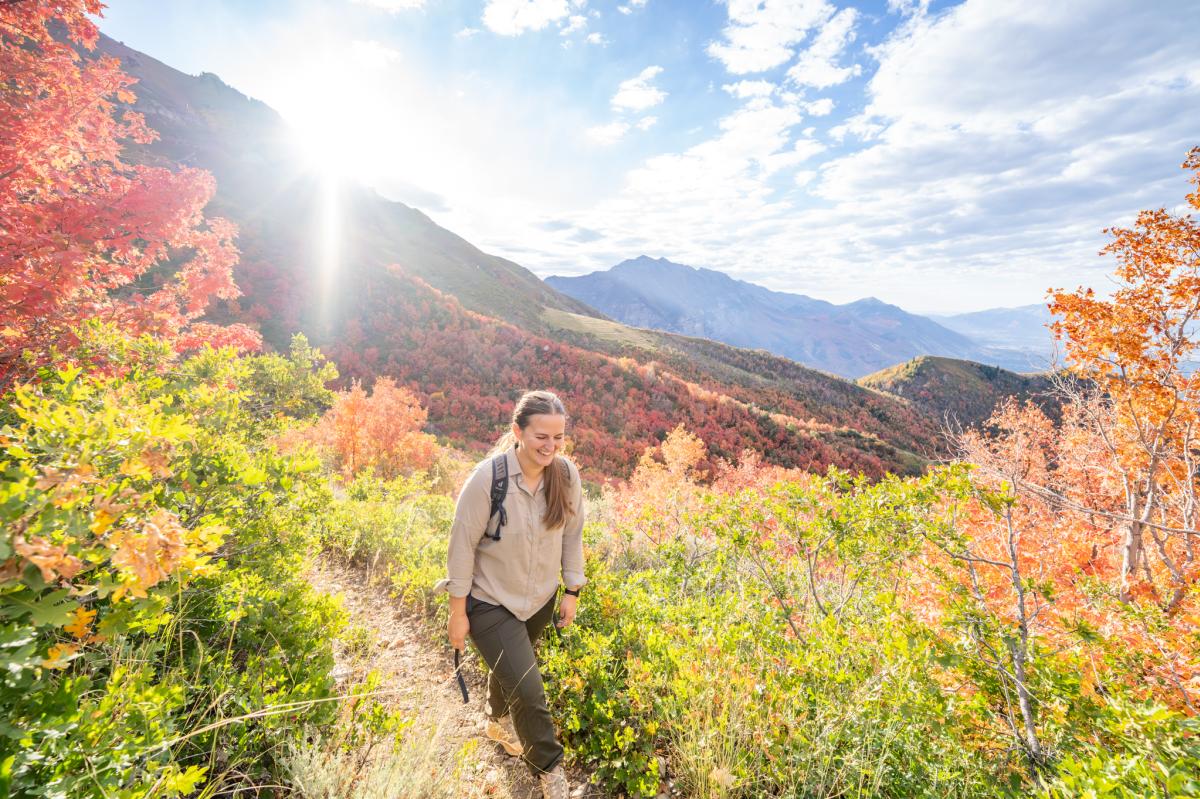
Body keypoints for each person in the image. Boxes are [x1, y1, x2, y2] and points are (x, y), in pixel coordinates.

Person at [444, 390, 586, 799]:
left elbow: (573, 535)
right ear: (518, 432)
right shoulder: (488, 479)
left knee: (512, 668)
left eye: (558, 437)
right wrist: (457, 612)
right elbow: (460, 547)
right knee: (527, 687)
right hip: (489, 601)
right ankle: (551, 773)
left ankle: (495, 718)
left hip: (539, 600)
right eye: (542, 436)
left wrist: (572, 589)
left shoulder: (565, 476)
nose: (551, 446)